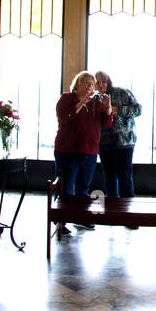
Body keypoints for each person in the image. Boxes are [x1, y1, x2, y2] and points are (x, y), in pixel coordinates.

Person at [52, 70, 107, 239]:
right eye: (87, 83)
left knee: (83, 187)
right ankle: (61, 220)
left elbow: (106, 123)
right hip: (68, 150)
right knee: (66, 187)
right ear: (78, 84)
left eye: (93, 84)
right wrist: (83, 100)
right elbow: (65, 116)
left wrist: (108, 107)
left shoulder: (95, 103)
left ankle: (80, 217)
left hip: (89, 150)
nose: (91, 86)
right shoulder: (67, 98)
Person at [96, 72, 141, 205]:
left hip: (124, 141)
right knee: (109, 177)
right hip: (104, 142)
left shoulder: (122, 92)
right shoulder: (95, 98)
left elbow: (138, 109)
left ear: (108, 81)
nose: (100, 84)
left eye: (103, 81)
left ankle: (129, 214)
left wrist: (118, 110)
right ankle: (112, 210)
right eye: (97, 82)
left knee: (124, 177)